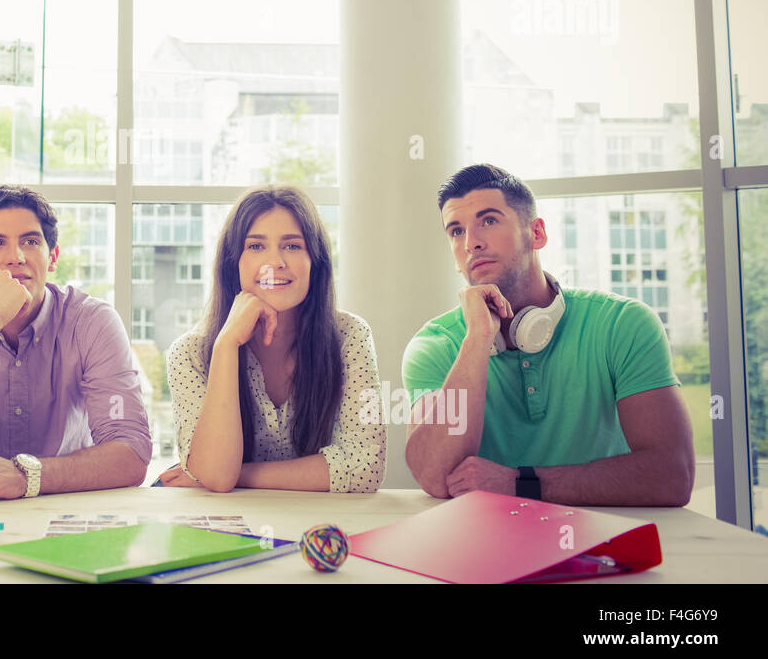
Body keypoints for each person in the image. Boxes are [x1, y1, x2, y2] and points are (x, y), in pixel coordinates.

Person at [403, 164, 695, 506]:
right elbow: (435, 477)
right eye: (456, 231)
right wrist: (477, 340)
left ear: (537, 233)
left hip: (601, 541)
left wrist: (519, 483)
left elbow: (672, 476)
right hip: (483, 545)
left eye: (489, 221)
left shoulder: (624, 324)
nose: (471, 243)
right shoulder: (434, 344)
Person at [0, 185, 152, 503]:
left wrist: (28, 476)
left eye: (31, 242)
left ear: (52, 257)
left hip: (62, 510)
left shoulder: (93, 322)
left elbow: (130, 455)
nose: (15, 257)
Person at [157, 186, 385, 493]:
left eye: (292, 246)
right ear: (232, 263)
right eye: (255, 247)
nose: (275, 262)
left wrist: (240, 475)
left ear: (314, 262)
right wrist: (226, 346)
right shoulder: (190, 353)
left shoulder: (350, 337)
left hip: (314, 528)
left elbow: (364, 469)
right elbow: (215, 476)